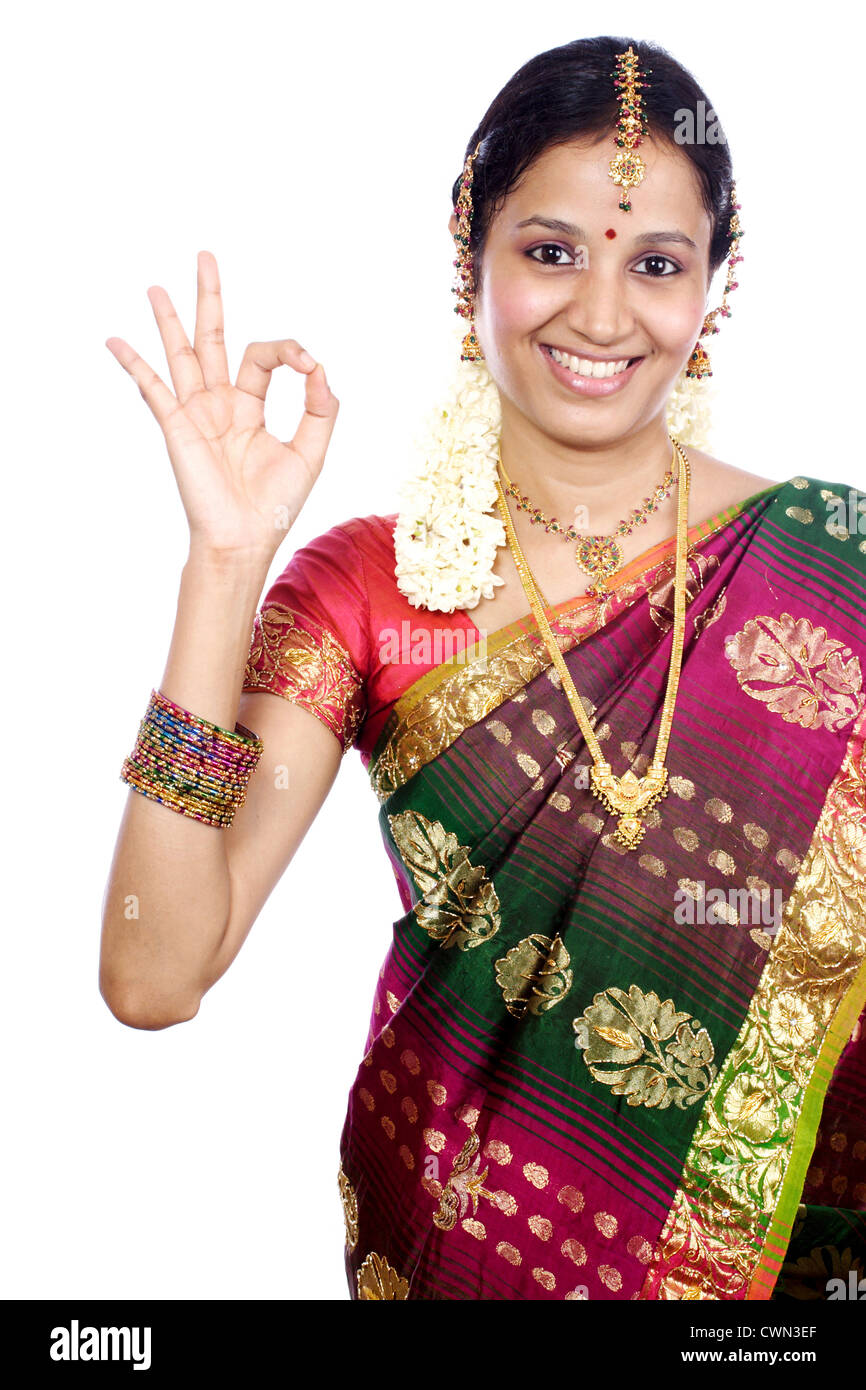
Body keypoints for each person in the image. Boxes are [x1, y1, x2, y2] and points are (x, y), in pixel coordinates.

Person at [100, 35, 866, 1301]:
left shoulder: (836, 564)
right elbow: (153, 971)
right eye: (551, 250)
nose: (602, 314)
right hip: (462, 1246)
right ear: (471, 259)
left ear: (714, 289)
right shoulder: (364, 589)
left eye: (657, 264)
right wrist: (226, 563)